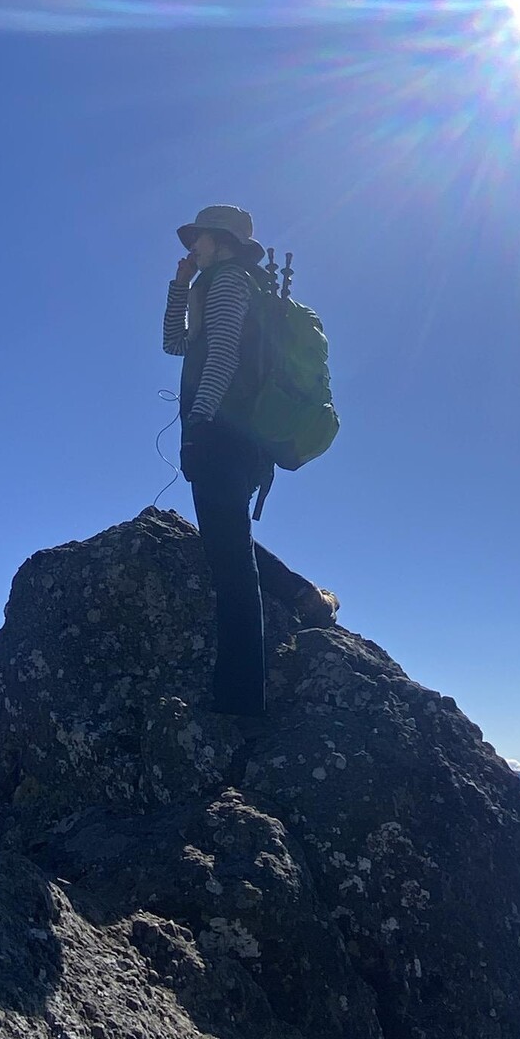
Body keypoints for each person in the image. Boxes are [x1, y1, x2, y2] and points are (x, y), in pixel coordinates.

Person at [163, 204, 338, 727]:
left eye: (198, 240)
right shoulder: (214, 283)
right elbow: (174, 344)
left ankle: (240, 701)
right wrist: (179, 285)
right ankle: (305, 597)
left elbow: (221, 356)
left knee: (230, 565)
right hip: (238, 435)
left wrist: (199, 422)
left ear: (222, 241)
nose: (191, 248)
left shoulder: (230, 283)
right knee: (227, 540)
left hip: (222, 432)